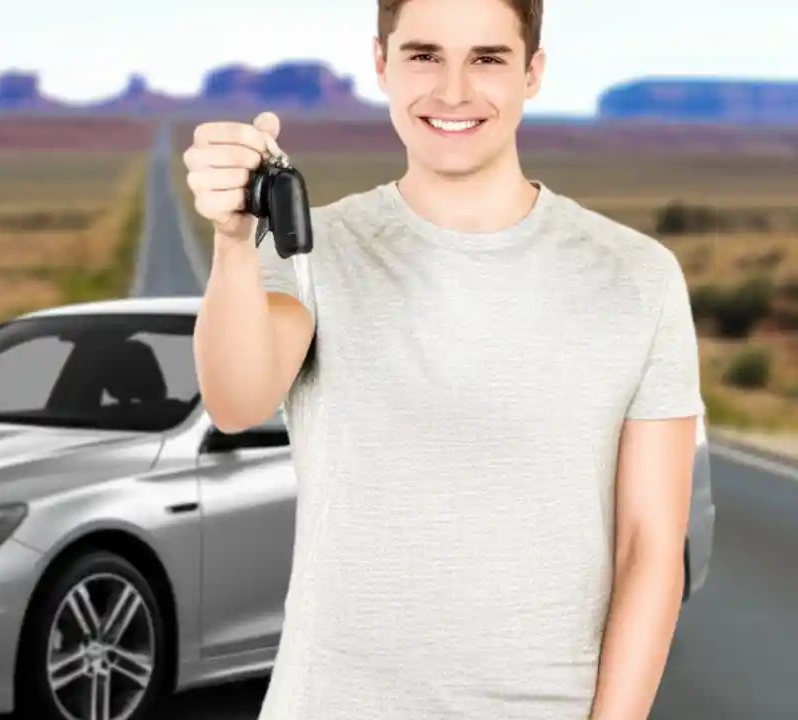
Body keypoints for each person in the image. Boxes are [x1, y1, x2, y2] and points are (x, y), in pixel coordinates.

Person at [185, 0, 705, 717]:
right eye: (424, 55)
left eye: (487, 59)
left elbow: (649, 547)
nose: (453, 91)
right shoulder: (314, 250)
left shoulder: (637, 276)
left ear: (533, 73)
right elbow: (236, 400)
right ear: (381, 65)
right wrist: (233, 240)